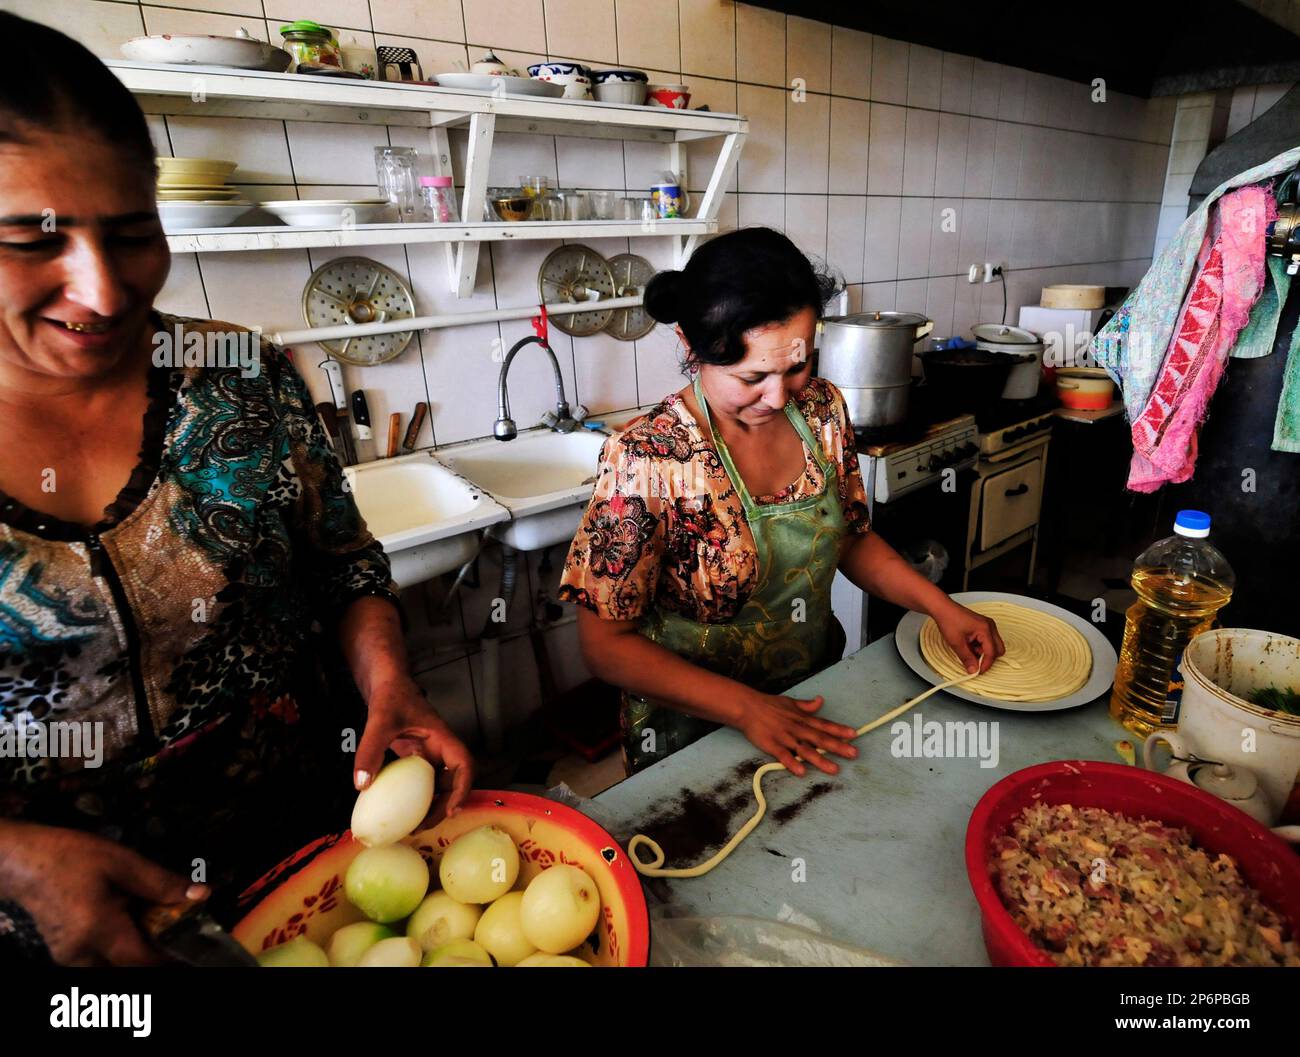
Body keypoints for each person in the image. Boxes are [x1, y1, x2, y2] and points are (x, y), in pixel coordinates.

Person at [0, 13, 473, 965]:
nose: (99, 290)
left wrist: (391, 683)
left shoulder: (235, 373)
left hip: (309, 865)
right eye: (28, 242)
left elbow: (344, 565)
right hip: (73, 937)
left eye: (133, 233)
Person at [559, 227, 1005, 775]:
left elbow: (850, 540)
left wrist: (941, 608)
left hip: (812, 695)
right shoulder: (647, 458)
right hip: (692, 731)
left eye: (797, 365)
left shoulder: (820, 411)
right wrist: (749, 710)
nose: (778, 396)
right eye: (752, 376)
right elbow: (606, 646)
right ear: (691, 348)